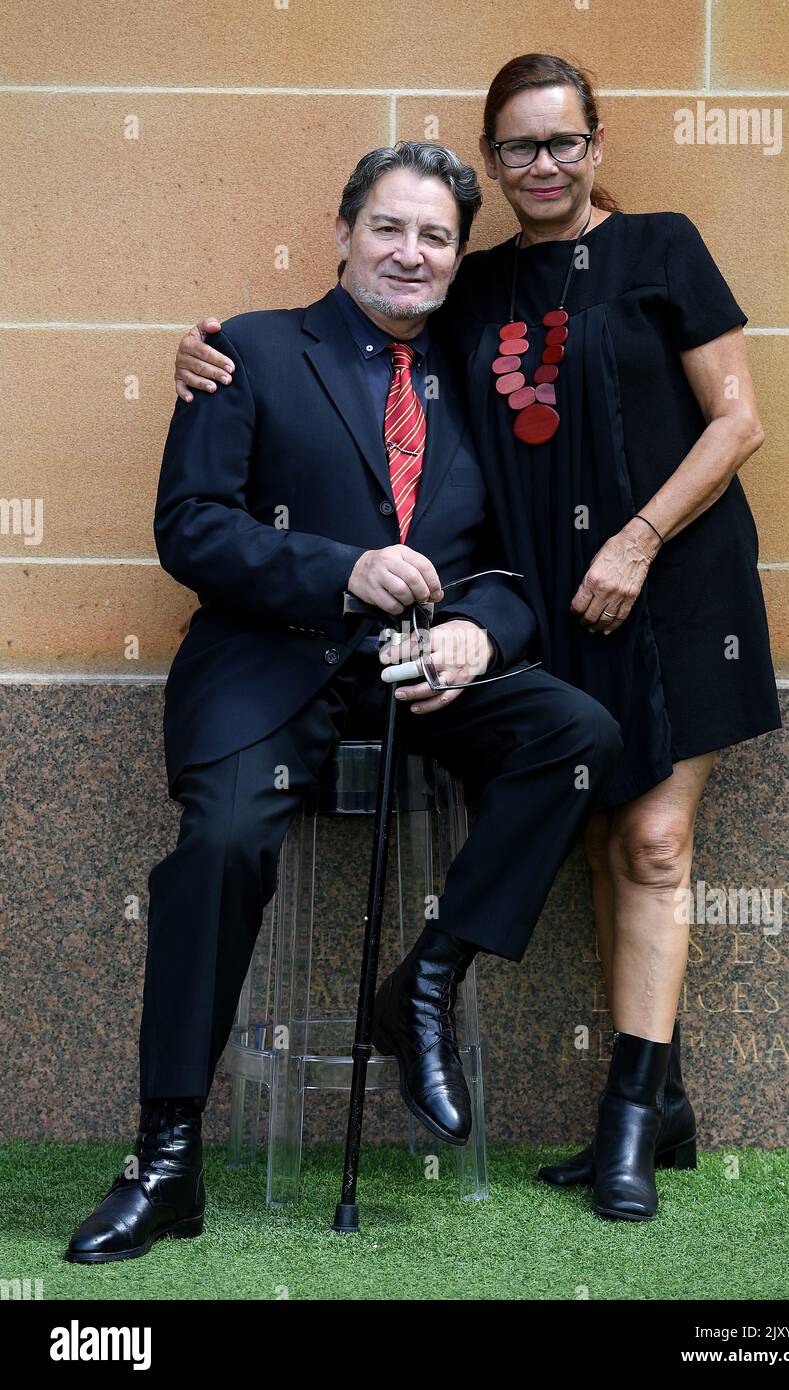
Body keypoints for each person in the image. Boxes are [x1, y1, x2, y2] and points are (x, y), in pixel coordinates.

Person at [173, 55, 782, 1224]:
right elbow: (355, 347)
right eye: (517, 147)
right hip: (543, 594)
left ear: (598, 145)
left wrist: (640, 540)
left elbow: (738, 418)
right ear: (492, 160)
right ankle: (660, 1096)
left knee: (653, 840)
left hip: (672, 575)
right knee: (603, 820)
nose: (541, 166)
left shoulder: (662, 247)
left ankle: (615, 1113)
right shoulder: (473, 280)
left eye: (562, 143)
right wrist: (204, 357)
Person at [64, 141, 623, 1263]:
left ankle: (422, 981)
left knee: (575, 734)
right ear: (342, 231)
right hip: (270, 663)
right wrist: (336, 568)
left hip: (423, 677)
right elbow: (191, 526)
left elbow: (512, 570)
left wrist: (479, 630)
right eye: (388, 227)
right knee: (218, 844)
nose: (409, 253)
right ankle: (165, 1159)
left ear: (457, 258)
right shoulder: (248, 350)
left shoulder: (476, 377)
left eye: (434, 237)